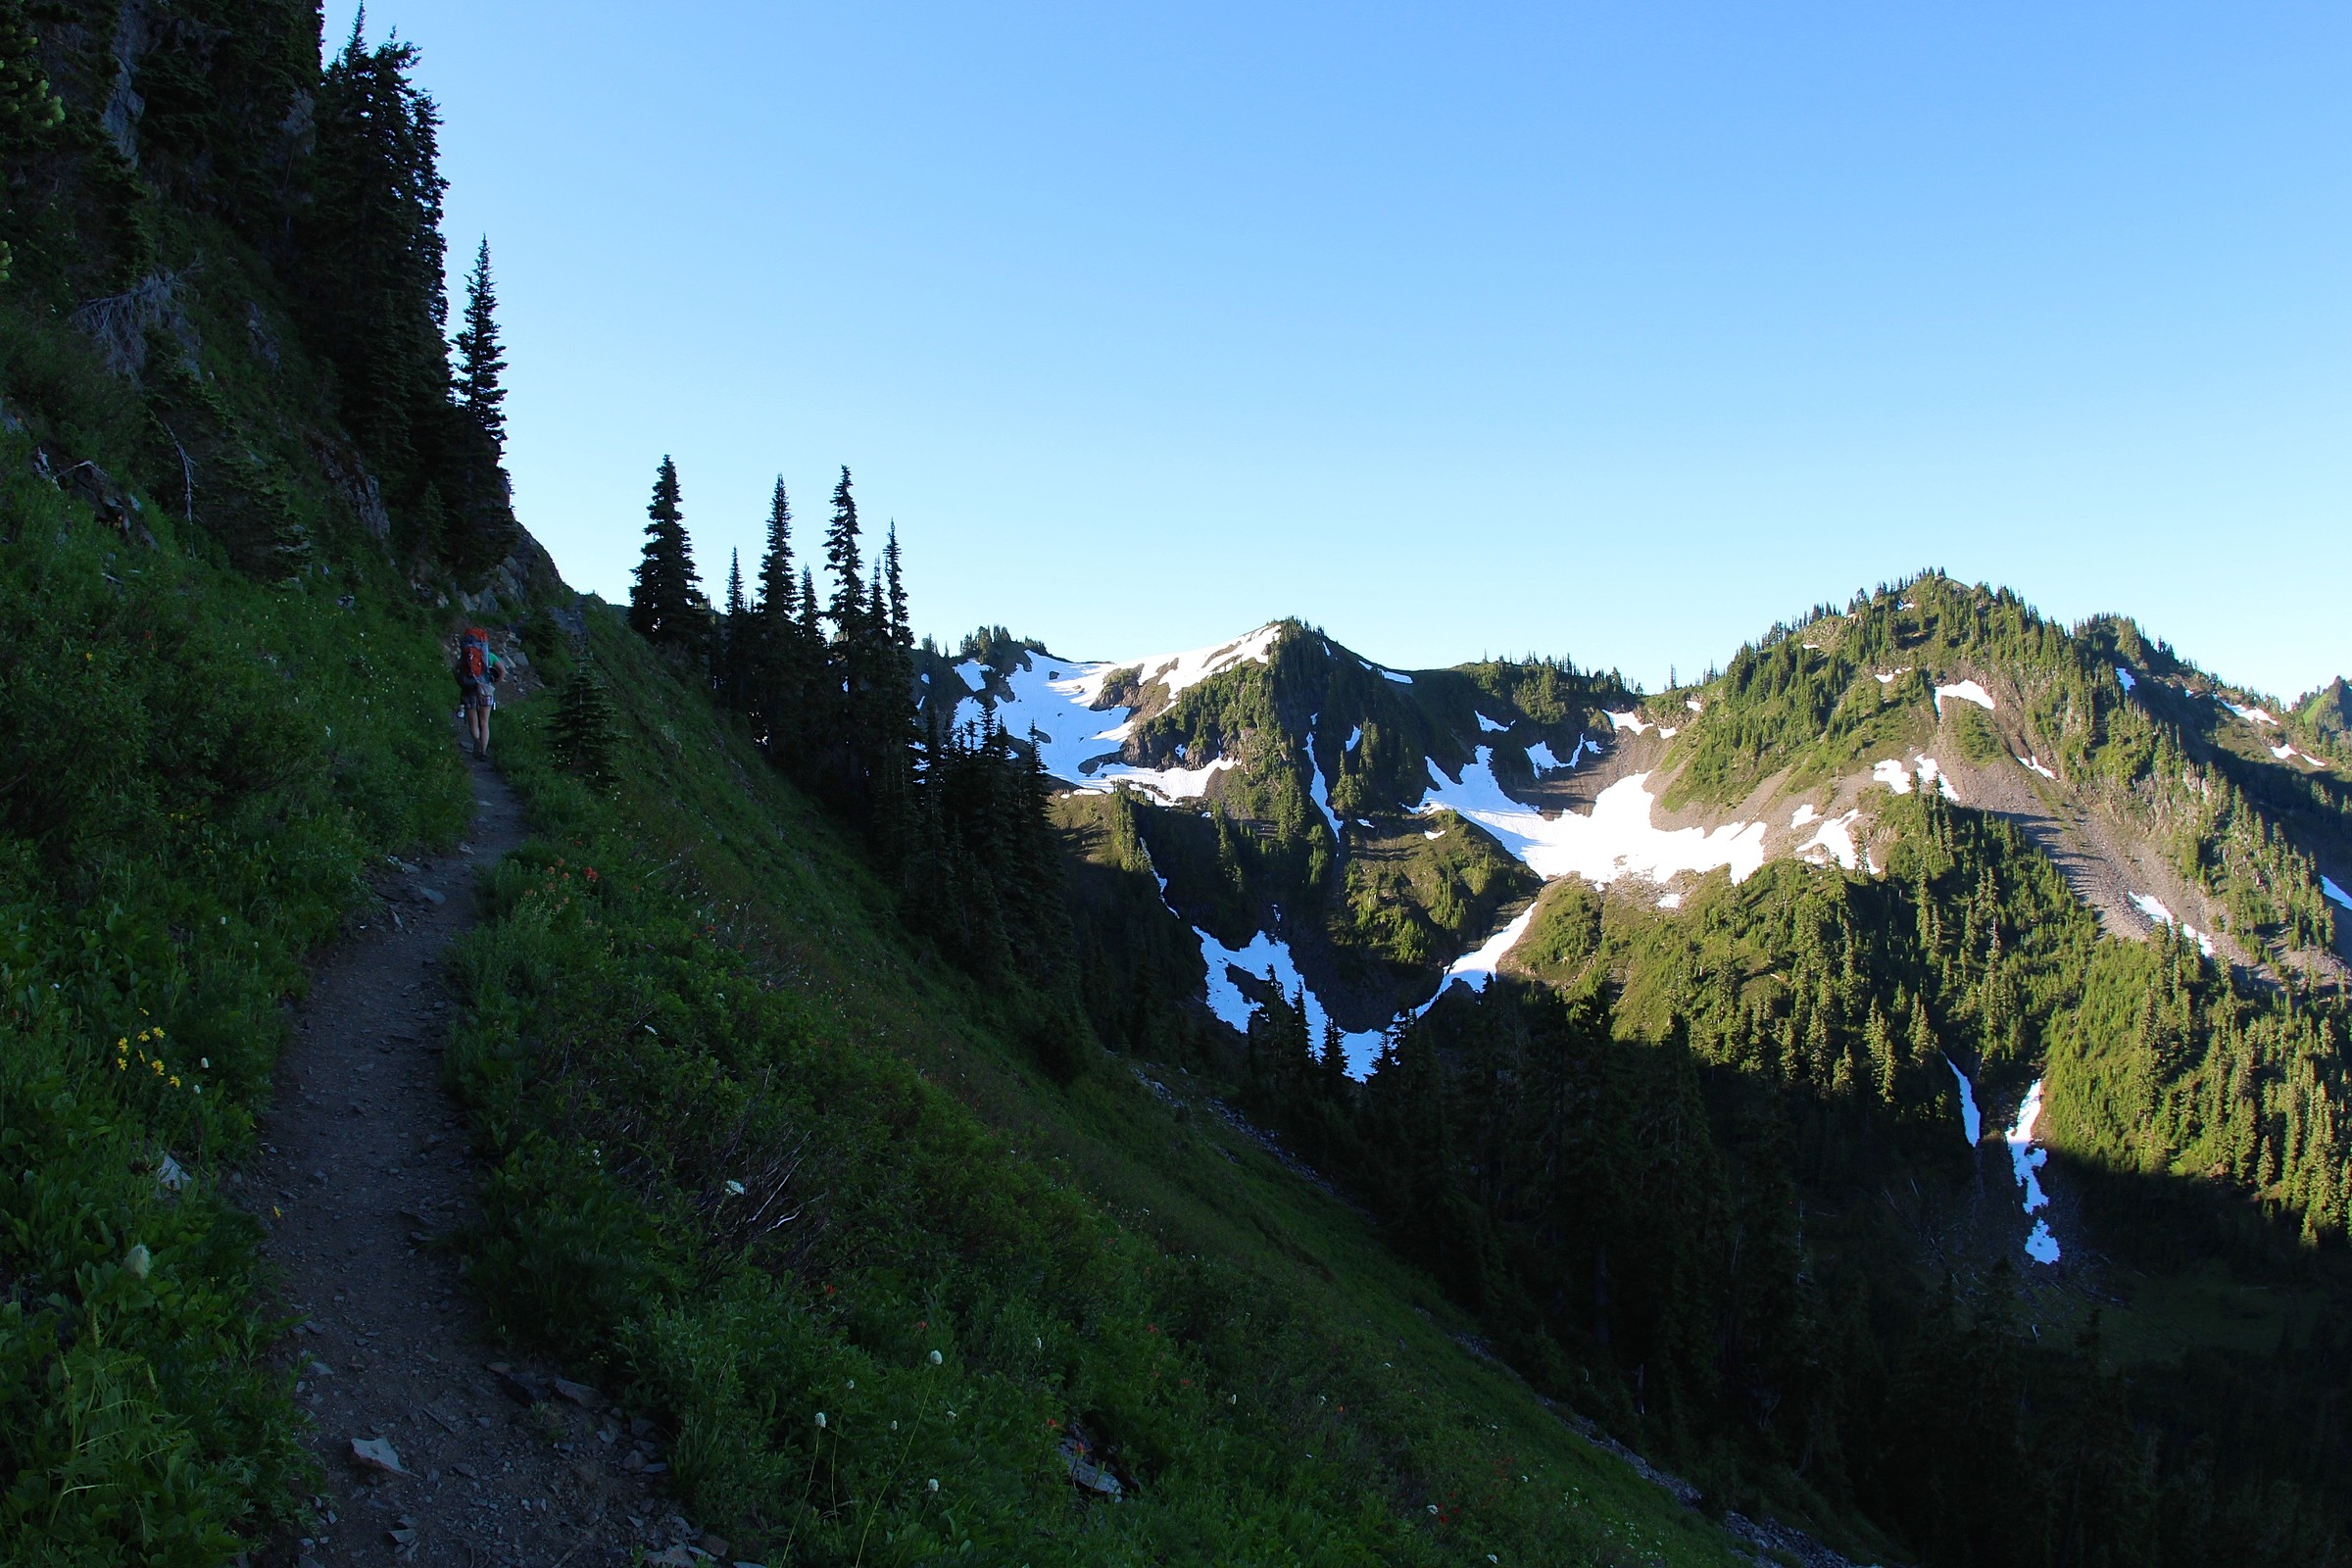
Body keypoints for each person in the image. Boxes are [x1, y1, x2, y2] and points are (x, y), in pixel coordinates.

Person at [455, 626, 503, 760]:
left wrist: (460, 681)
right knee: (484, 722)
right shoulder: (490, 656)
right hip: (485, 690)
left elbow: (454, 668)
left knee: (473, 722)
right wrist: (493, 685)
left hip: (468, 688)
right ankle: (483, 751)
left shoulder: (465, 656)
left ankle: (476, 741)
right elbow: (502, 671)